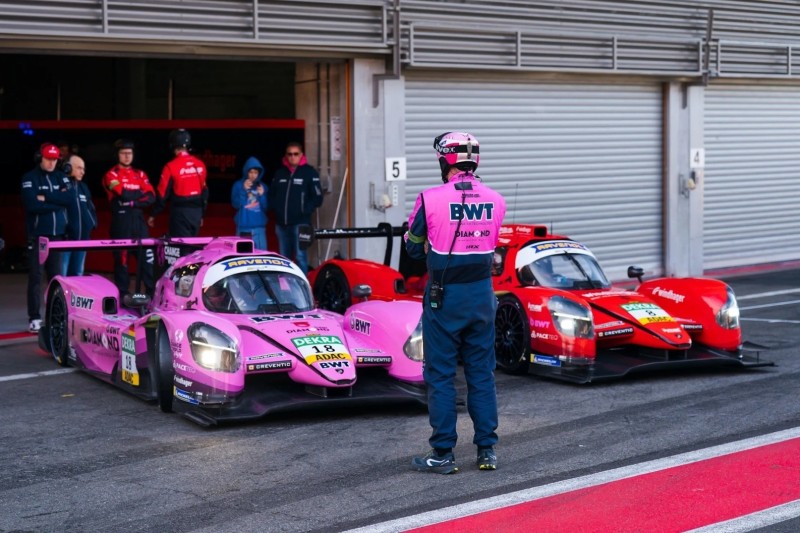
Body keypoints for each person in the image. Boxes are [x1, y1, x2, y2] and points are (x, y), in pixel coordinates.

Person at [405, 131, 507, 474]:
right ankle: (487, 451)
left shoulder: (428, 198)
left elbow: (413, 248)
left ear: (444, 160)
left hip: (445, 296)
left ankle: (443, 453)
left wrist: (420, 240)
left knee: (440, 374)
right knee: (481, 373)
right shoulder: (497, 199)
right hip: (482, 295)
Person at [21, 143, 73, 332]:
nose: (51, 163)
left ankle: (54, 318)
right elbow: (32, 205)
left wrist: (46, 197)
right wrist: (58, 201)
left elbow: (70, 199)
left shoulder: (61, 177)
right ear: (39, 158)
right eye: (48, 159)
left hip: (57, 236)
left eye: (54, 160)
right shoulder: (29, 178)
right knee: (35, 277)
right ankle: (34, 317)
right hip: (38, 236)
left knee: (55, 279)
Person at [103, 139, 156, 298]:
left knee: (147, 259)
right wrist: (139, 194)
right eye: (123, 153)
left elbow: (151, 196)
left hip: (139, 221)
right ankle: (123, 296)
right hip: (121, 221)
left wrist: (133, 202)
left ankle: (151, 295)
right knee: (122, 261)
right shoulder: (111, 174)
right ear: (117, 155)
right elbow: (122, 194)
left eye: (129, 153)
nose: (127, 156)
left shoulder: (140, 174)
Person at [268, 142, 323, 273]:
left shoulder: (309, 173)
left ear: (301, 155)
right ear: (286, 156)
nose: (292, 157)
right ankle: (285, 285)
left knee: (300, 257)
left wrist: (305, 210)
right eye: (290, 154)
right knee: (284, 259)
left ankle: (303, 285)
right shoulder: (280, 173)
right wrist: (276, 209)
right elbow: (271, 194)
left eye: (295, 154)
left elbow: (318, 197)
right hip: (281, 224)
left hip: (300, 224)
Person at [148, 129, 208, 237]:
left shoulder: (170, 166)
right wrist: (201, 215)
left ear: (172, 145)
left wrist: (153, 214)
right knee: (192, 245)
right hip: (196, 213)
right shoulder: (200, 164)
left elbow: (162, 194)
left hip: (180, 213)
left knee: (180, 246)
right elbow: (205, 192)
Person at [62, 155, 97, 276]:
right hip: (65, 240)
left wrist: (92, 224)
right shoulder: (61, 184)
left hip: (82, 239)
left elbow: (91, 208)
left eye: (83, 169)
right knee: (62, 276)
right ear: (68, 167)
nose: (83, 172)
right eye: (79, 168)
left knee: (77, 274)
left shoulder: (83, 187)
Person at [231, 157, 268, 250]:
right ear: (246, 172)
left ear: (259, 173)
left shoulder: (263, 186)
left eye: (255, 172)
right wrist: (243, 190)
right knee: (243, 255)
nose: (253, 175)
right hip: (243, 228)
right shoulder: (238, 185)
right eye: (250, 172)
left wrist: (262, 195)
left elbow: (266, 207)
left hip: (259, 229)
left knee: (260, 255)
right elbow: (235, 204)